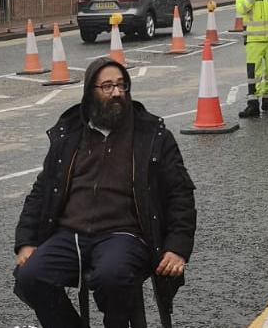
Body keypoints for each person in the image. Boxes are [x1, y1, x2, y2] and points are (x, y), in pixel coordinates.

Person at [13, 56, 196, 328]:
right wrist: (26, 240)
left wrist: (177, 248)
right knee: (30, 277)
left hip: (125, 234)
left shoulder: (152, 135)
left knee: (113, 277)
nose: (117, 93)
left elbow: (181, 194)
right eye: (107, 87)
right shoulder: (70, 135)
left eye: (122, 85)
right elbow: (42, 190)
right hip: (70, 234)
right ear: (90, 93)